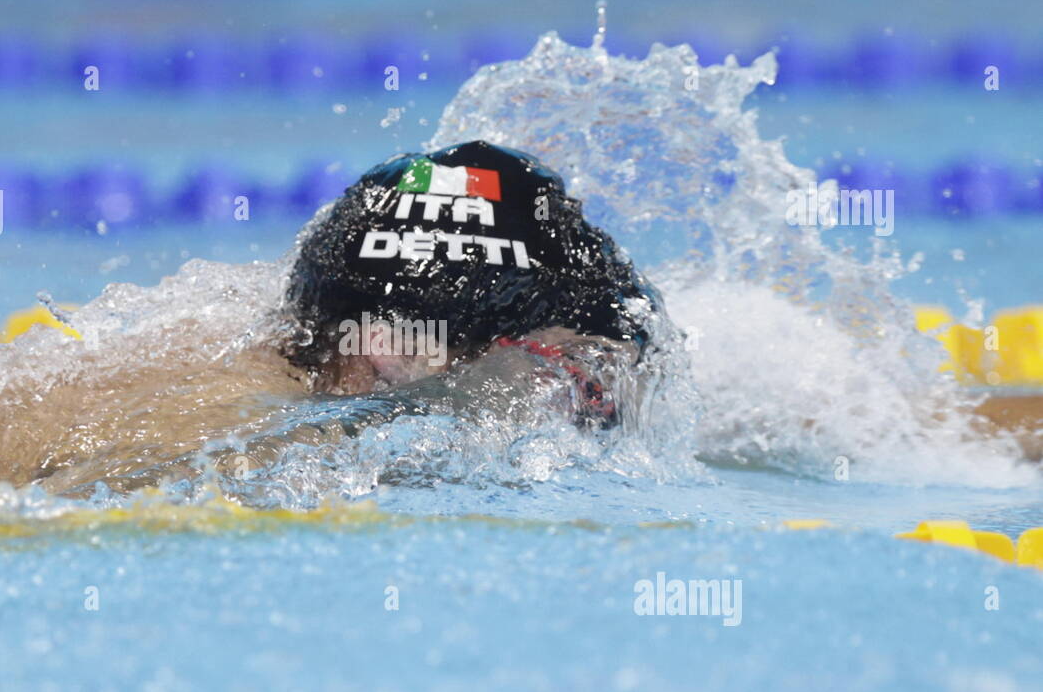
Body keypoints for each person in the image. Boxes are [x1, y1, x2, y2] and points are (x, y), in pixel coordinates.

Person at [88, 139, 668, 489]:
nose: (582, 389)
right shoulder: (247, 453)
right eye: (554, 362)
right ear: (389, 347)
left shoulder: (190, 367)